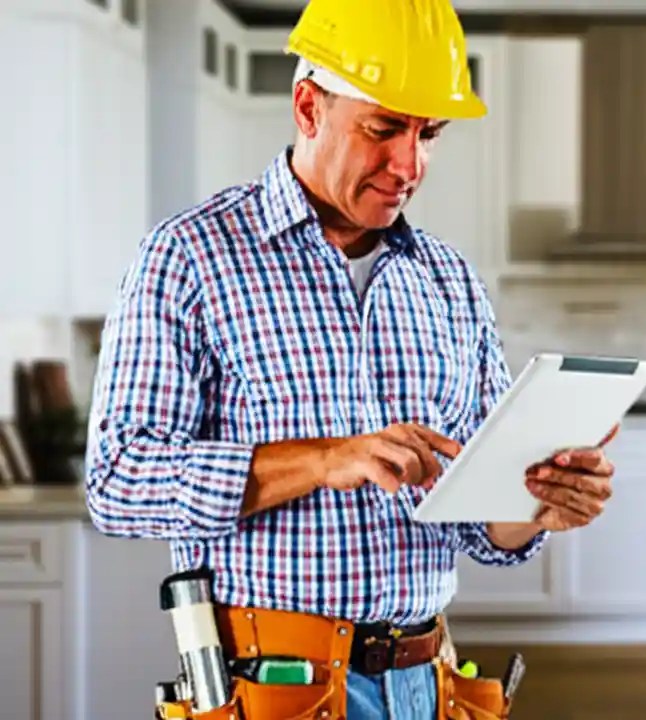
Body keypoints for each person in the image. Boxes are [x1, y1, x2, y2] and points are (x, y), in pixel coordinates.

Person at [83, 1, 618, 717]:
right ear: (309, 106)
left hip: (430, 684)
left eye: (429, 133)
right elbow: (118, 482)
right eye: (384, 128)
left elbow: (478, 527)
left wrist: (538, 507)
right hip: (274, 688)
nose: (410, 164)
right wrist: (323, 460)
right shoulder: (190, 258)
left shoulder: (448, 281)